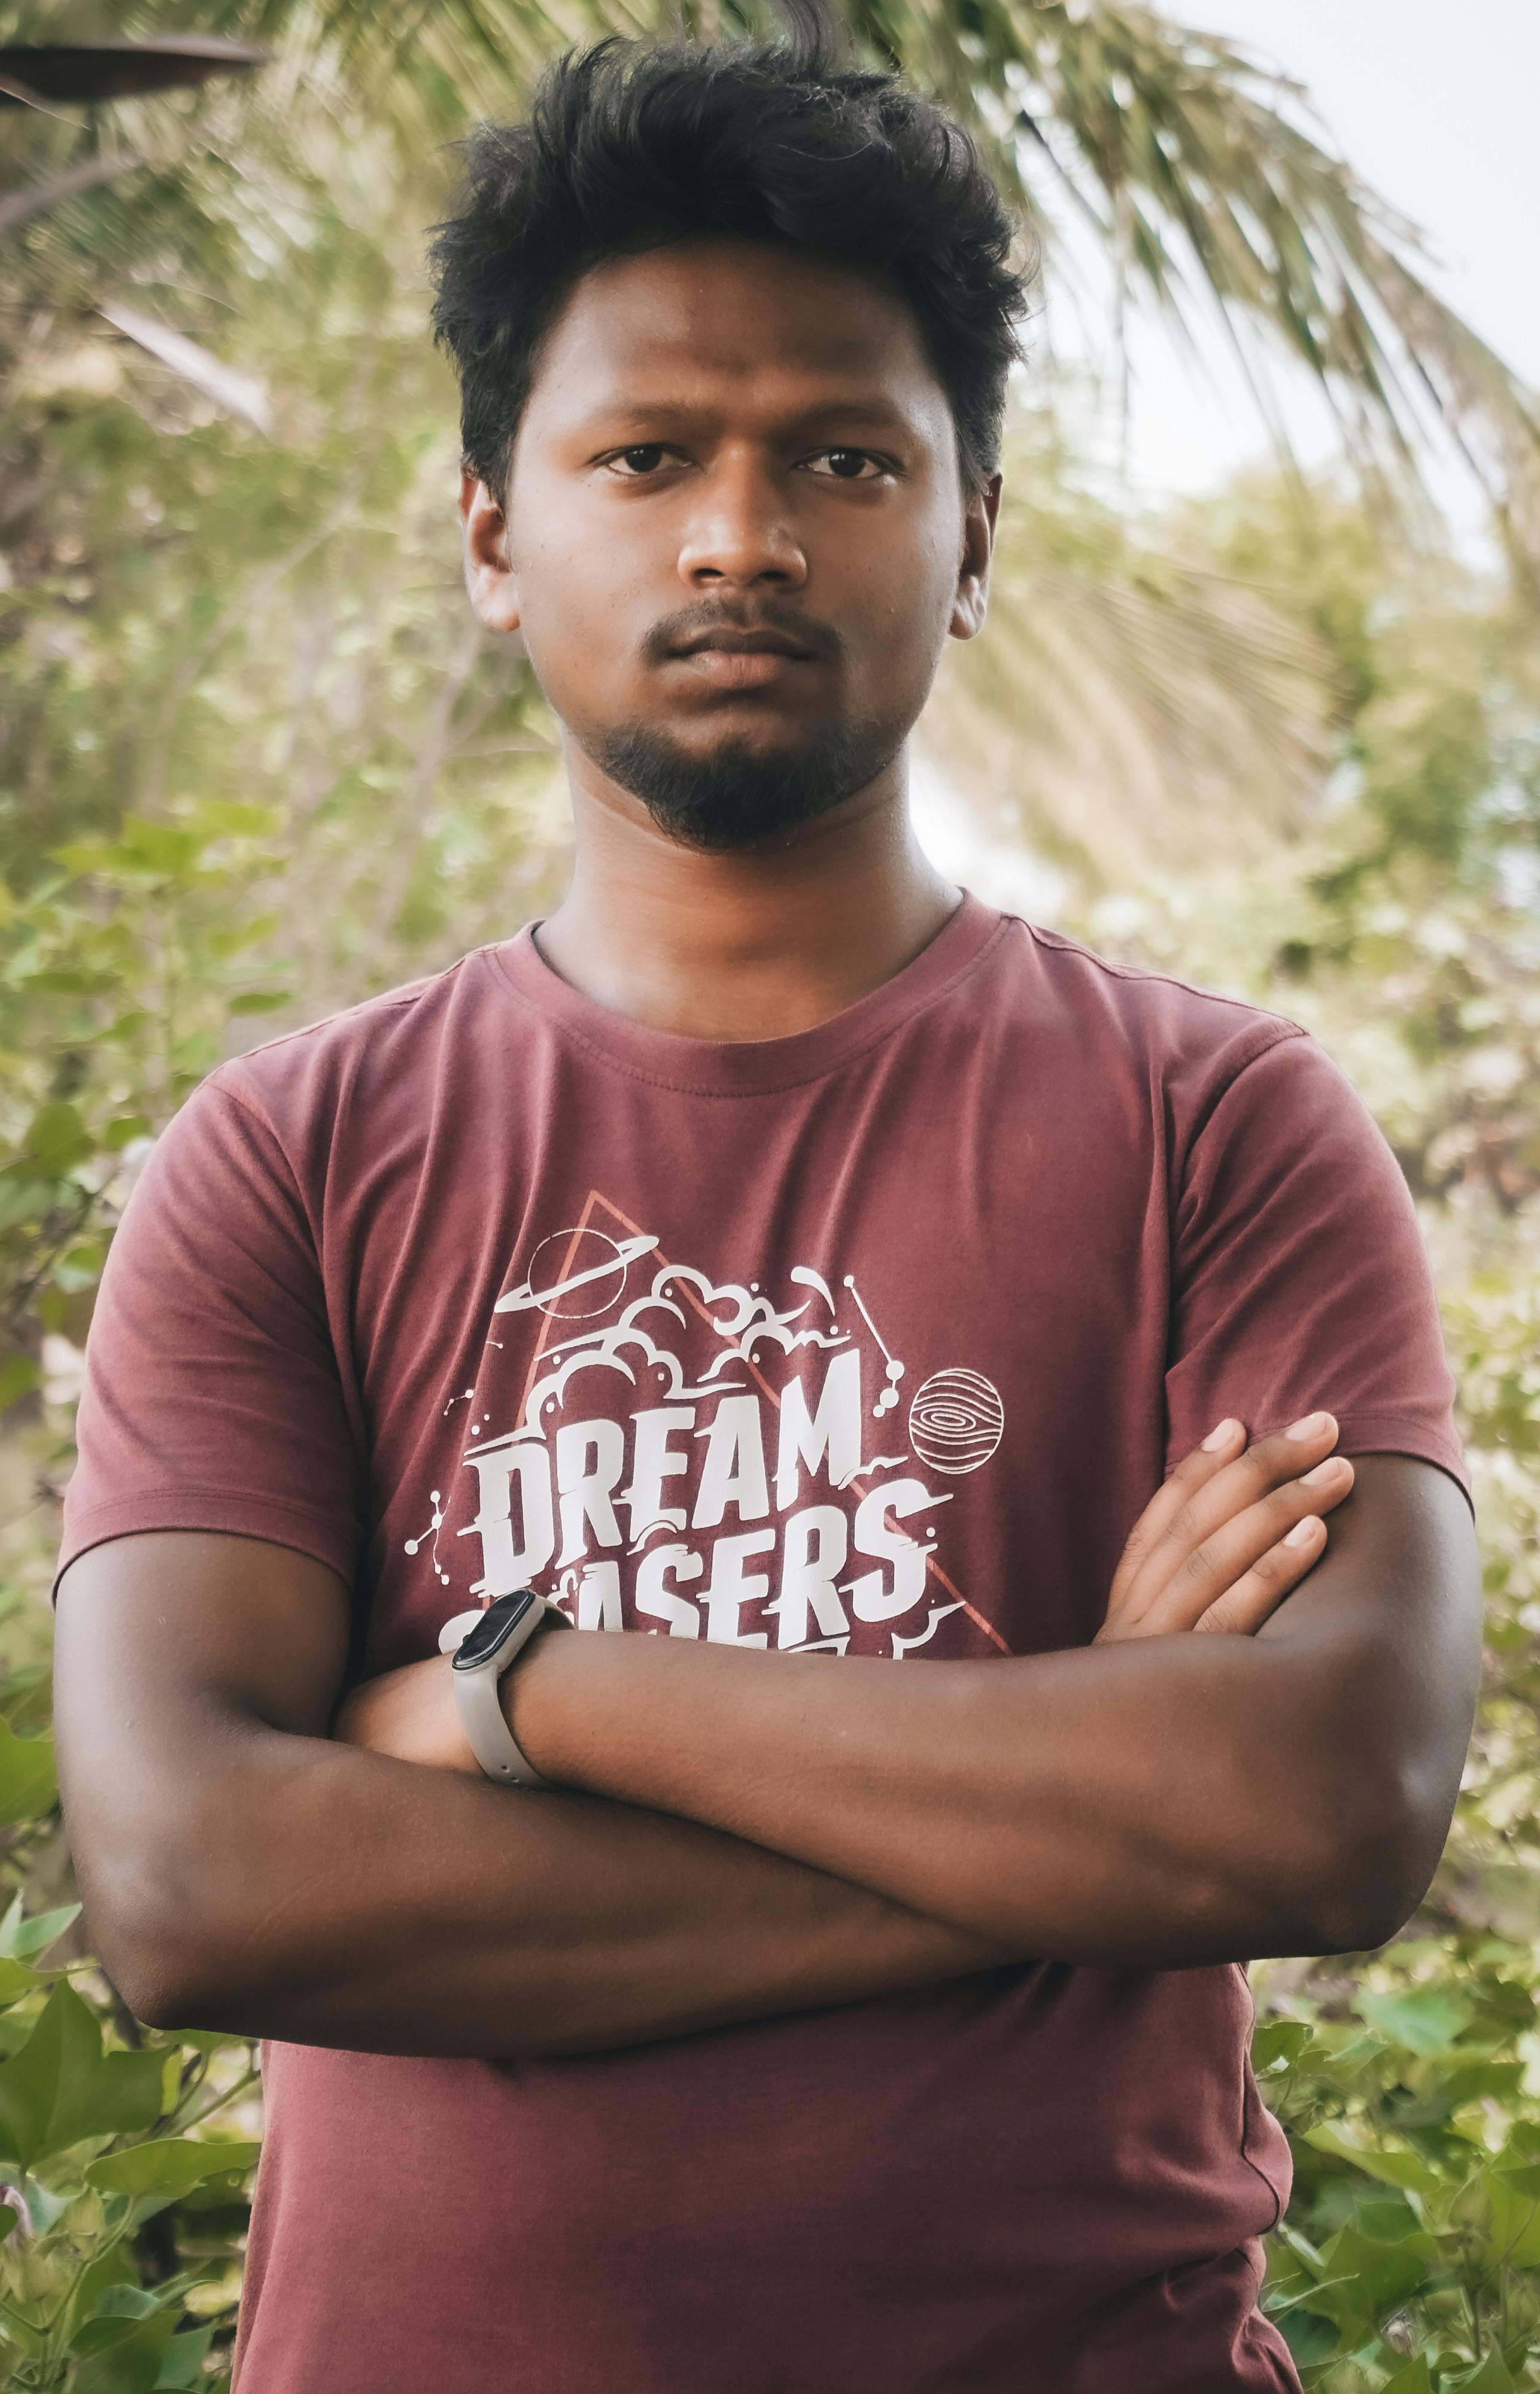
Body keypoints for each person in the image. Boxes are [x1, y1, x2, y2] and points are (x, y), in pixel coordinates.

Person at [53, 18, 1481, 2393]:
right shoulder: (283, 1156)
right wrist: (1065, 1776)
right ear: (496, 537)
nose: (741, 533)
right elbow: (200, 1880)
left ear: (971, 526)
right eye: (645, 456)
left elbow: (1325, 1803)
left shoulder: (1213, 1118)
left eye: (841, 452)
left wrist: (512, 1695)